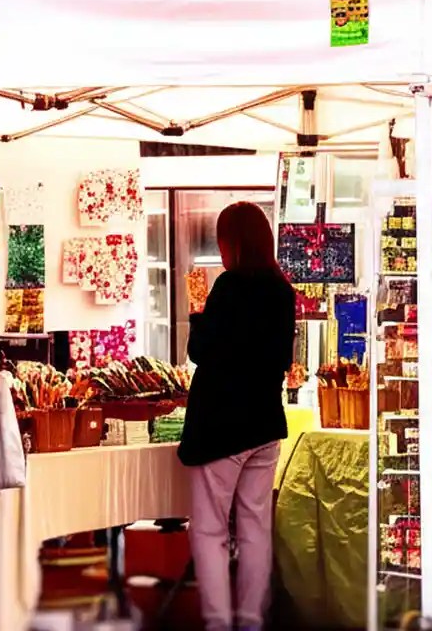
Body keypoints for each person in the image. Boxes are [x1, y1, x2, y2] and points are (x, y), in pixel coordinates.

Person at [177, 201, 296, 631]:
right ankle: (250, 619)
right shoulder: (283, 291)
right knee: (255, 527)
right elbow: (283, 358)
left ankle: (217, 622)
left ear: (235, 242)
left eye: (223, 240)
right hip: (265, 424)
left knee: (209, 530)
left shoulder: (228, 287)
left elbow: (200, 351)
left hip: (222, 427)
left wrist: (196, 312)